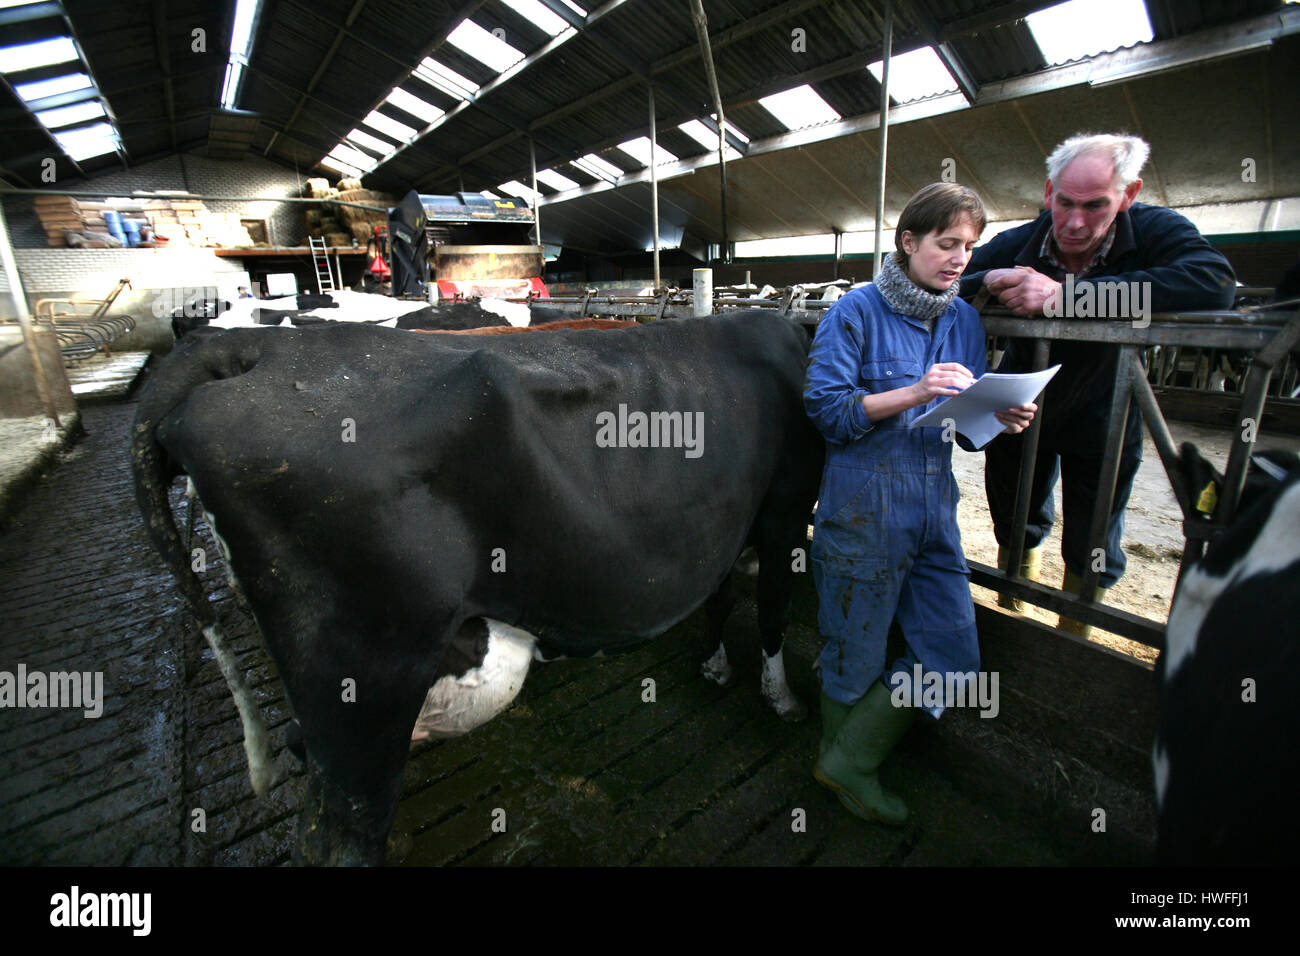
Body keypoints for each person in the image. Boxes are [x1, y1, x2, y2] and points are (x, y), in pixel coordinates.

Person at [803, 183, 1035, 824]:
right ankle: (850, 771)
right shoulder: (854, 311)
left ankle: (844, 760)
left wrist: (999, 412)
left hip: (935, 503)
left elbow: (961, 426)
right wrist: (913, 391)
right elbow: (826, 411)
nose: (961, 258)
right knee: (855, 650)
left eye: (969, 246)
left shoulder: (963, 318)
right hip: (862, 503)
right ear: (909, 242)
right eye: (947, 243)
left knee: (952, 651)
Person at [959, 134, 1236, 635]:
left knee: (1097, 517)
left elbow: (1213, 282)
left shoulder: (1154, 229)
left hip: (1108, 399)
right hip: (1024, 400)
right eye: (1065, 202)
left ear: (1127, 196)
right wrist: (986, 279)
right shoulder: (1022, 241)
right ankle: (1011, 605)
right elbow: (943, 277)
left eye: (1096, 206)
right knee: (1014, 503)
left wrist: (1069, 297)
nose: (1075, 222)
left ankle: (1074, 634)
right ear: (1048, 192)